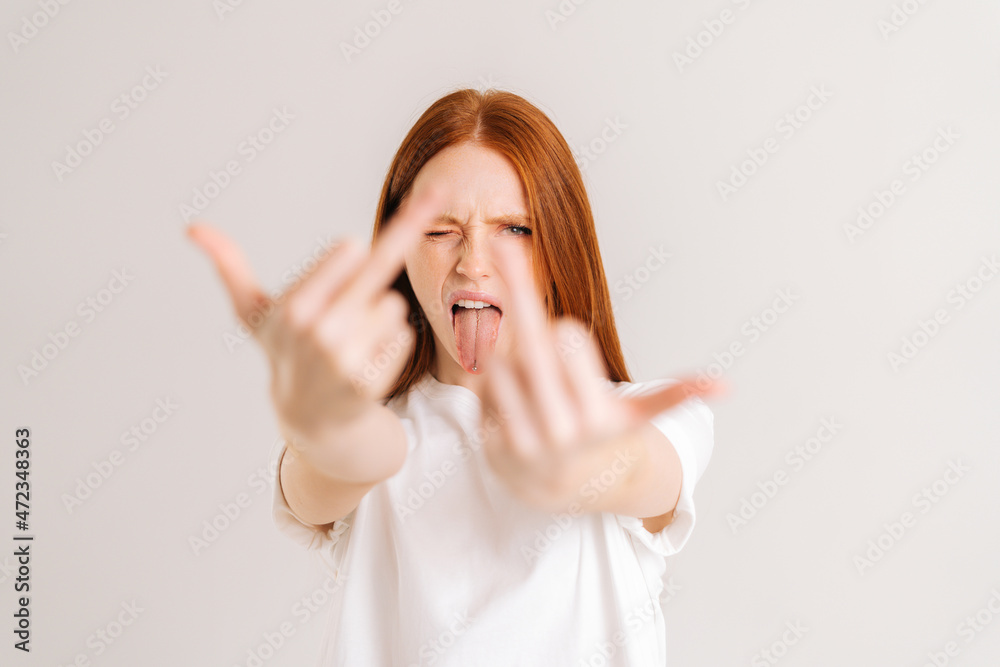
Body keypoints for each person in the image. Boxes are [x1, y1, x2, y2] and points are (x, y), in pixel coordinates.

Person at [188, 88, 723, 666]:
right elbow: (349, 460)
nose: (473, 263)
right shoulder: (377, 430)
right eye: (440, 231)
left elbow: (636, 465)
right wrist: (326, 427)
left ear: (560, 246)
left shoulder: (649, 417)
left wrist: (582, 462)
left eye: (514, 229)